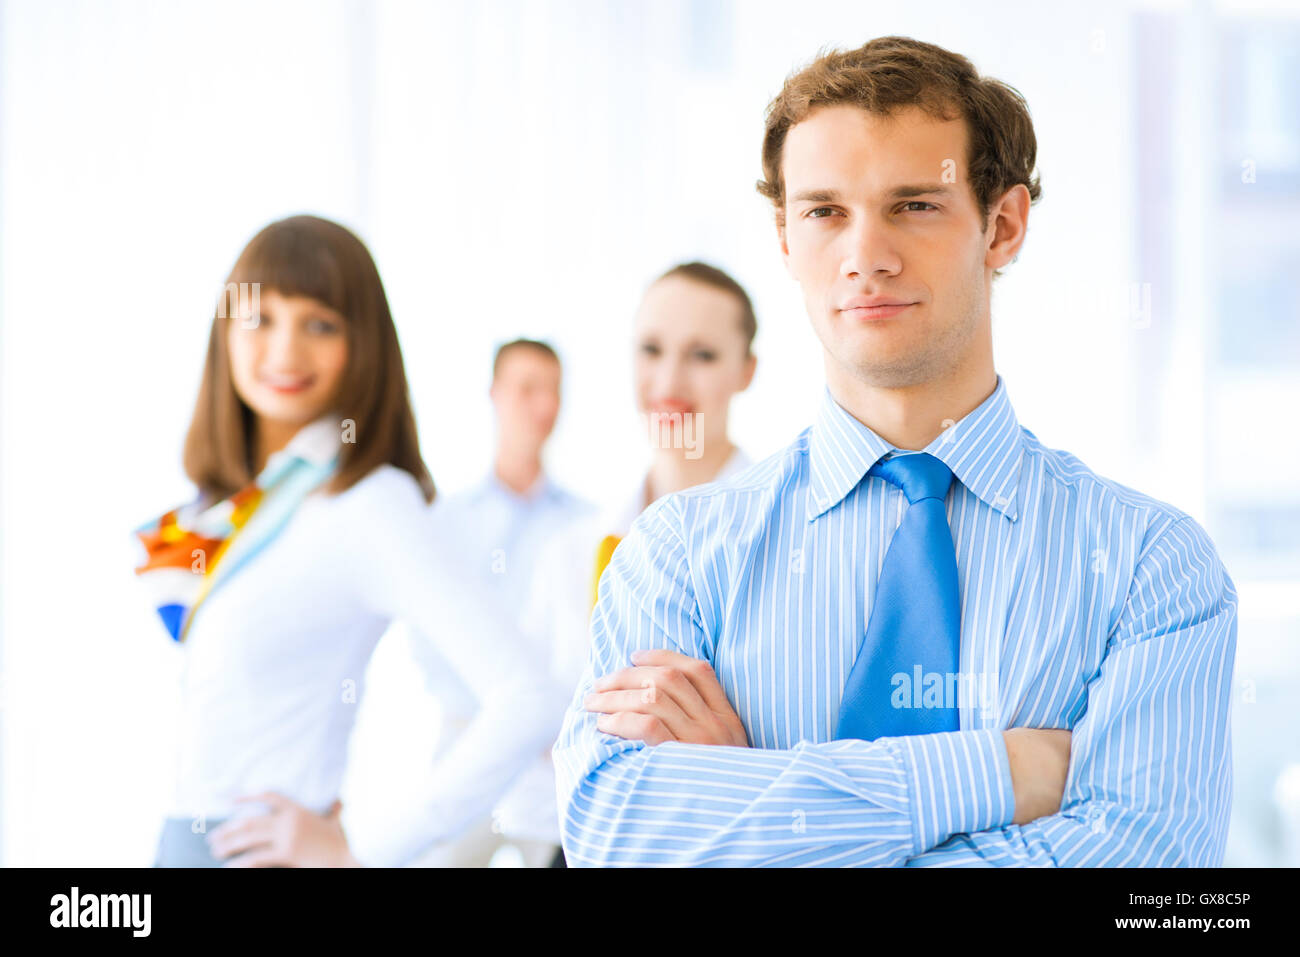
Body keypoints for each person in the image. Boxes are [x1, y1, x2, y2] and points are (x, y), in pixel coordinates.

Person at [555, 36, 1238, 867]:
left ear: (1003, 225)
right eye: (824, 211)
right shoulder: (675, 556)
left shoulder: (1149, 565)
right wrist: (999, 772)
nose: (865, 258)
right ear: (784, 237)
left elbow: (1151, 875)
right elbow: (613, 833)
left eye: (914, 204)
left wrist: (758, 810)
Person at [133, 214, 564, 867]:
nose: (283, 350)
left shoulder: (368, 504)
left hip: (254, 850)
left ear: (363, 343)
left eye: (320, 323)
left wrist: (361, 846)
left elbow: (527, 699)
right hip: (179, 843)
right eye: (260, 317)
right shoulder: (237, 509)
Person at [489, 261, 760, 866]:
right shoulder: (573, 551)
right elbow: (534, 729)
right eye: (651, 349)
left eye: (703, 355)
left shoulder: (787, 543)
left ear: (747, 371)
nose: (668, 379)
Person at [403, 338, 593, 867]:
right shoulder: (445, 521)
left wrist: (549, 720)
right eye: (528, 388)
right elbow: (427, 635)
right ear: (494, 394)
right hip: (467, 737)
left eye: (553, 392)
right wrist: (506, 715)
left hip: (555, 755)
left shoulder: (589, 527)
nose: (543, 406)